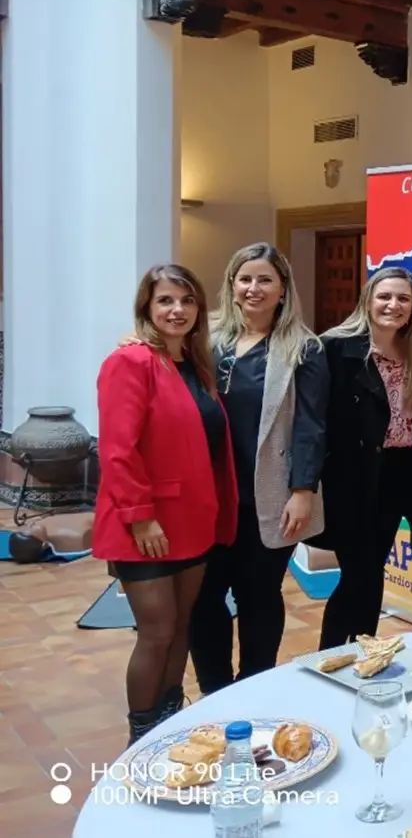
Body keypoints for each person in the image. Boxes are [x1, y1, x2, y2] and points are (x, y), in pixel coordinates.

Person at [93, 264, 236, 743]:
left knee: (180, 627)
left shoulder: (195, 364)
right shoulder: (130, 362)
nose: (178, 310)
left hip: (192, 521)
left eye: (187, 300)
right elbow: (118, 449)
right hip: (146, 523)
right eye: (166, 301)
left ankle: (169, 724)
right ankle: (140, 734)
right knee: (156, 632)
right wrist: (140, 518)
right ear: (147, 308)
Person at [189, 243, 328, 696]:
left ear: (283, 289)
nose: (254, 288)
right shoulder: (204, 340)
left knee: (259, 595)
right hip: (210, 496)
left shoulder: (303, 348)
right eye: (245, 278)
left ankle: (253, 688)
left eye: (265, 279)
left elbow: (311, 425)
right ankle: (214, 691)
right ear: (231, 284)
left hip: (269, 495)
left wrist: (303, 490)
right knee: (203, 596)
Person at [317, 267, 412, 649]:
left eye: (403, 298)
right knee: (358, 572)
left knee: (372, 568)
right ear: (368, 301)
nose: (393, 305)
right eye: (385, 297)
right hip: (352, 477)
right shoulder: (334, 348)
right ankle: (332, 655)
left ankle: (364, 650)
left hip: (396, 475)